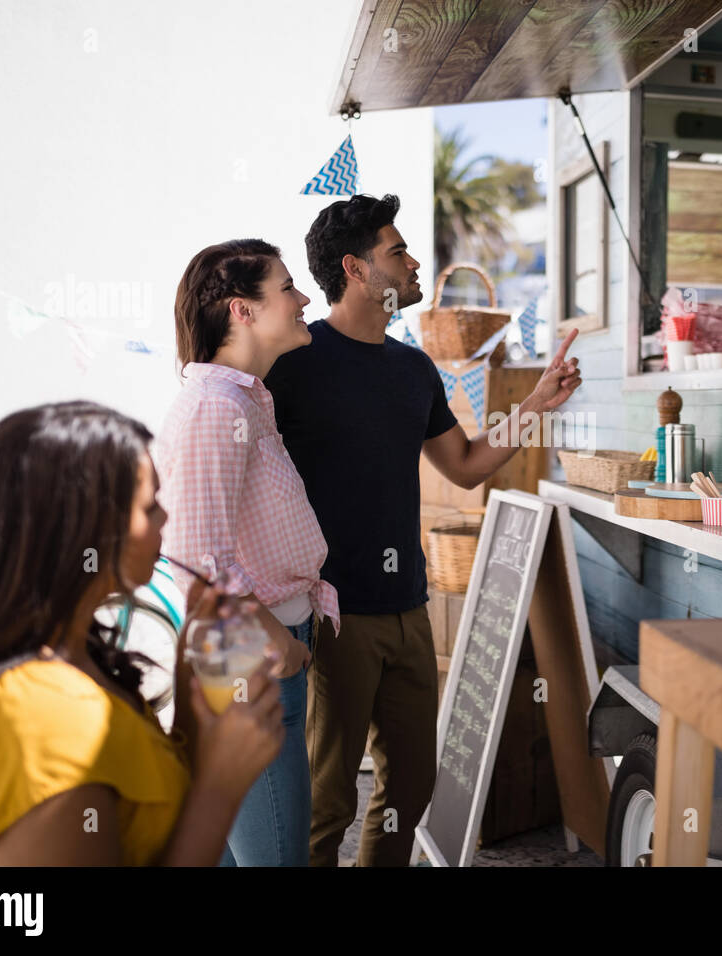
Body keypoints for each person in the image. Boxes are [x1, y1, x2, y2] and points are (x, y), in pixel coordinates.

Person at [264, 193, 581, 866]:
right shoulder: (295, 362)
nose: (413, 264)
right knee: (327, 803)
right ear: (354, 270)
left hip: (411, 606)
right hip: (334, 615)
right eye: (397, 251)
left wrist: (534, 404)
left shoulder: (414, 369)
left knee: (410, 788)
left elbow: (465, 466)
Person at [0, 401, 284, 866]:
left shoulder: (76, 659)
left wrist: (190, 683)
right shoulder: (40, 717)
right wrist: (221, 787)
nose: (166, 520)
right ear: (85, 532)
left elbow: (146, 818)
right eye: (150, 506)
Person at [157, 239, 339, 866]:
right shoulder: (215, 406)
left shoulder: (241, 400)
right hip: (248, 666)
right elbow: (193, 560)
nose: (304, 299)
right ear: (243, 310)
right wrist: (278, 643)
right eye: (288, 288)